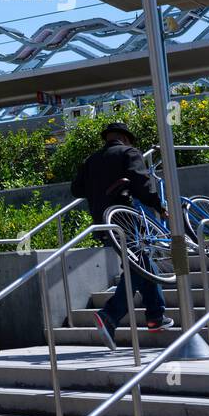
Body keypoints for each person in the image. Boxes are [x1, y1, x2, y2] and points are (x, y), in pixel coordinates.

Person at [70, 121, 170, 347]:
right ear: (125, 138)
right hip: (126, 219)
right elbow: (141, 182)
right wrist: (158, 205)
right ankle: (111, 315)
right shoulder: (128, 152)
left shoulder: (91, 160)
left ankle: (155, 316)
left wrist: (99, 189)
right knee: (138, 265)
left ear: (107, 138)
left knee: (140, 263)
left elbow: (76, 190)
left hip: (103, 223)